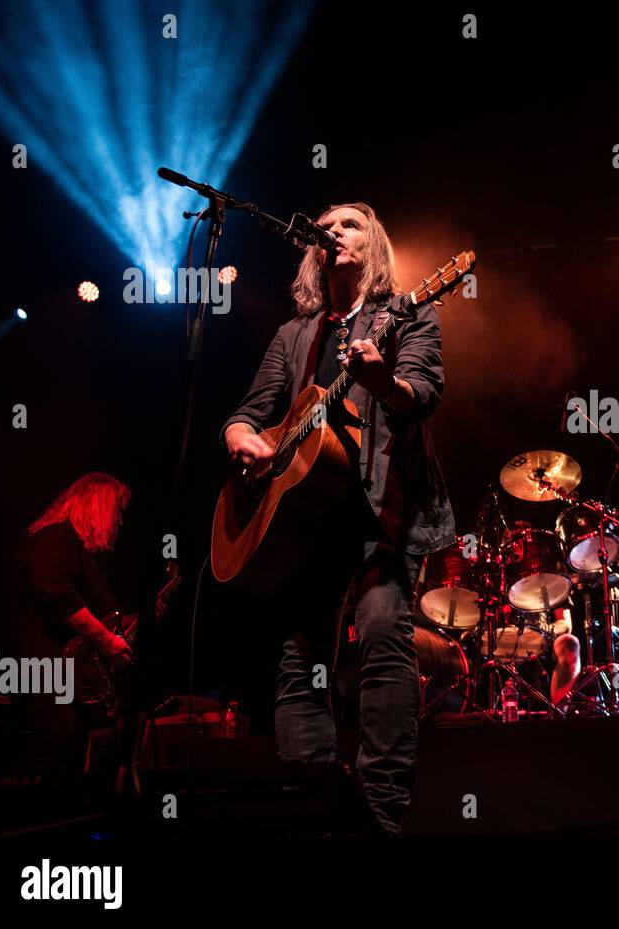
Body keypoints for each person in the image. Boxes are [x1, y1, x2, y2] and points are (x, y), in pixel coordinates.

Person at [221, 202, 455, 835]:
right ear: (312, 248)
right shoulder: (297, 333)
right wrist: (241, 438)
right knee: (299, 661)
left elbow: (422, 396)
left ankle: (379, 812)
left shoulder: (408, 313)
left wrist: (383, 383)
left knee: (382, 635)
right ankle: (312, 801)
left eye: (350, 224)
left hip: (383, 508)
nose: (335, 232)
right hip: (305, 518)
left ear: (373, 244)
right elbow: (249, 412)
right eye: (327, 225)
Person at [12, 472, 134, 789]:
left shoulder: (85, 554)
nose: (120, 520)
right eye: (118, 510)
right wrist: (107, 640)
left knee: (79, 769)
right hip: (50, 675)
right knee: (60, 768)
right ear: (100, 506)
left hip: (74, 683)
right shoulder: (54, 537)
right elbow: (58, 596)